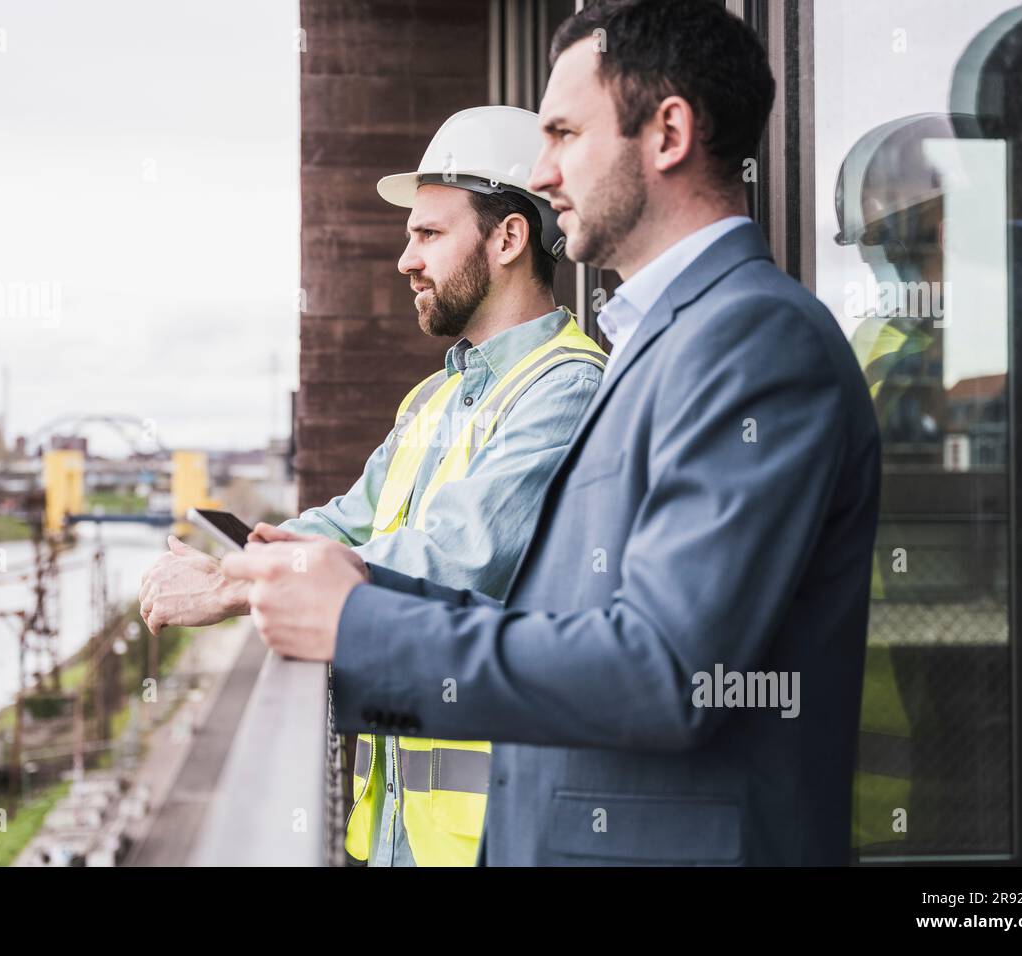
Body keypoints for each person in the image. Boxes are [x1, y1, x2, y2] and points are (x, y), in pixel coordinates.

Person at [224, 0, 882, 866]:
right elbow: (564, 615)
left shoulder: (754, 342)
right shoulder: (659, 343)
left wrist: (356, 623)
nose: (543, 172)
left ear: (669, 132)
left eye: (564, 134)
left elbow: (664, 669)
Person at [138, 105, 606, 866]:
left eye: (428, 234)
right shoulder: (434, 400)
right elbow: (349, 525)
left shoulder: (566, 391)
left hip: (494, 843)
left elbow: (454, 556)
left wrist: (235, 591)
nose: (405, 259)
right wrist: (237, 564)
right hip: (397, 841)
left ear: (509, 238)